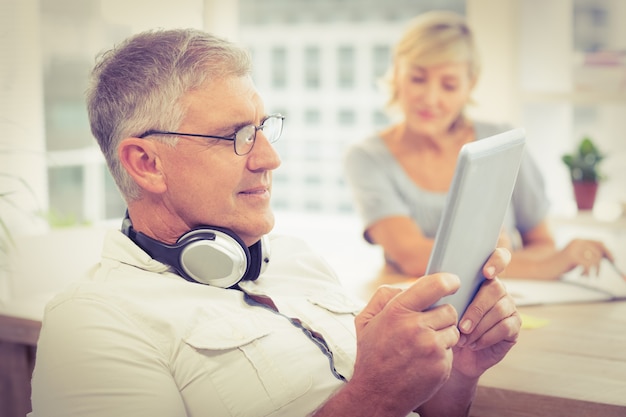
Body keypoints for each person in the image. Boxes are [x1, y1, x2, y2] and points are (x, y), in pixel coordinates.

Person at [30, 28, 521, 417]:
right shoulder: (93, 322)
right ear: (146, 163)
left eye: (263, 128)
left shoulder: (292, 257)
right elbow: (380, 399)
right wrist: (374, 396)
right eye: (237, 135)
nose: (269, 158)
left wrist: (456, 376)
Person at [343, 10, 614, 281]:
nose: (430, 97)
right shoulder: (367, 157)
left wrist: (522, 259)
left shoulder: (502, 143)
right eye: (417, 79)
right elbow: (414, 258)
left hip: (507, 303)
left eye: (448, 85)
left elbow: (542, 243)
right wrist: (544, 265)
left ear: (469, 85)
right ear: (396, 74)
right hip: (420, 313)